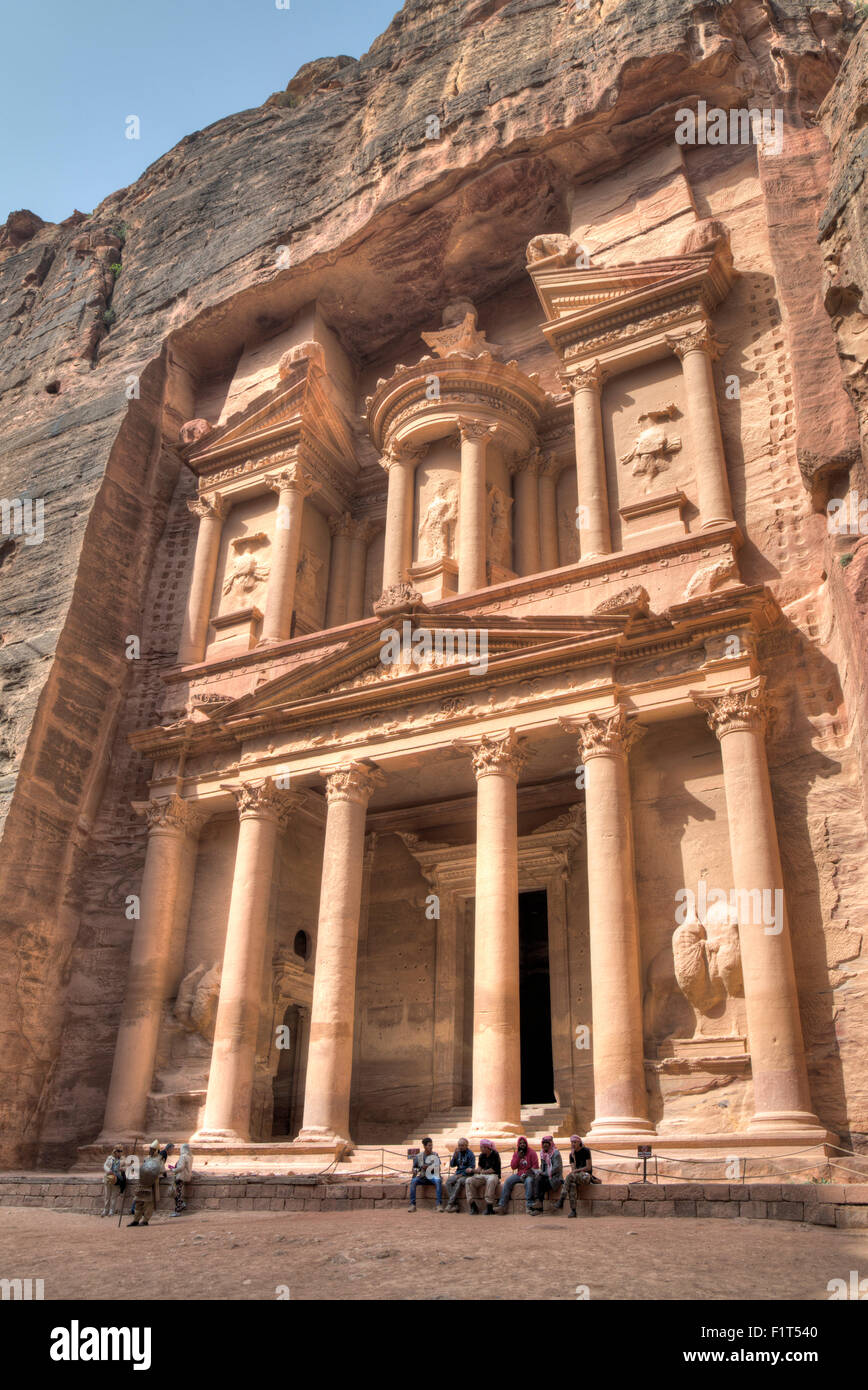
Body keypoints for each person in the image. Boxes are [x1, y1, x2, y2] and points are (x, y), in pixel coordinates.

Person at [495, 1136, 538, 1213]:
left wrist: (527, 1173)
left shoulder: (532, 1152)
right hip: (519, 1174)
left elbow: (535, 1166)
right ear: (518, 1145)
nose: (522, 1145)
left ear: (526, 1144)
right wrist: (518, 1157)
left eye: (524, 1143)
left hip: (529, 1175)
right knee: (508, 1181)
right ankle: (502, 1205)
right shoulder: (516, 1154)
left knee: (529, 1182)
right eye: (520, 1143)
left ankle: (529, 1205)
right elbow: (513, 1167)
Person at [128, 1139, 165, 1228]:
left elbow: (162, 1170)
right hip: (143, 1183)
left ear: (156, 1150)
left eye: (152, 1149)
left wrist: (154, 1174)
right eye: (150, 1149)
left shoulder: (160, 1159)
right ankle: (136, 1220)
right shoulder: (147, 1159)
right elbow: (143, 1169)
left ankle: (145, 1220)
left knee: (149, 1203)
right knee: (138, 1201)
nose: (150, 1151)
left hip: (152, 1183)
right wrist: (133, 1168)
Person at [557, 1135, 594, 1217]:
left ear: (579, 1142)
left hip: (586, 1176)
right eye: (572, 1142)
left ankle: (562, 1198)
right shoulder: (571, 1155)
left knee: (569, 1177)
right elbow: (573, 1169)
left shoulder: (586, 1151)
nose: (573, 1144)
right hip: (576, 1177)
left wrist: (577, 1171)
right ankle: (573, 1210)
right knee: (571, 1184)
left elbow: (588, 1167)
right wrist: (574, 1158)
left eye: (575, 1142)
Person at [465, 1139, 501, 1214]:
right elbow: (479, 1168)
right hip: (483, 1175)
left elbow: (493, 1169)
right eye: (481, 1147)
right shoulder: (481, 1156)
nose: (481, 1149)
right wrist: (472, 1170)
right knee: (468, 1181)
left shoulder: (495, 1154)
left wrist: (483, 1172)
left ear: (488, 1148)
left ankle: (489, 1206)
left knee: (490, 1180)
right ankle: (473, 1205)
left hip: (493, 1175)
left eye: (483, 1147)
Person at [408, 1138, 443, 1212]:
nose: (431, 1147)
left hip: (433, 1176)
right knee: (413, 1181)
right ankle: (412, 1205)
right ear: (424, 1146)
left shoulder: (435, 1155)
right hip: (423, 1176)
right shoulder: (419, 1156)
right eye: (429, 1145)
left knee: (438, 1181)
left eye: (431, 1145)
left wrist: (429, 1168)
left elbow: (438, 1169)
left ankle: (439, 1204)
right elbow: (415, 1167)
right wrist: (414, 1171)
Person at [532, 1135, 563, 1214]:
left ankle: (538, 1206)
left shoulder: (556, 1153)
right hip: (546, 1177)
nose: (545, 1145)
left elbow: (556, 1168)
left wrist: (544, 1173)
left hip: (555, 1178)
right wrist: (539, 1172)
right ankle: (538, 1205)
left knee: (539, 1181)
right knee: (536, 1179)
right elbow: (542, 1167)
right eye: (543, 1143)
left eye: (547, 1143)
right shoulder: (542, 1153)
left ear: (550, 1144)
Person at [444, 1137, 476, 1212]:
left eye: (462, 1145)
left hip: (467, 1175)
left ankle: (450, 1204)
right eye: (459, 1145)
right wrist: (454, 1156)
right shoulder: (457, 1153)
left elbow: (472, 1167)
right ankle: (455, 1204)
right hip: (458, 1173)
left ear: (466, 1146)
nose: (460, 1147)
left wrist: (463, 1174)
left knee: (459, 1182)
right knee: (448, 1181)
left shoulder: (470, 1154)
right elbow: (452, 1165)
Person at [101, 1145, 127, 1217]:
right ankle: (105, 1210)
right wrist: (108, 1170)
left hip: (116, 1178)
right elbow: (105, 1165)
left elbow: (126, 1167)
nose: (120, 1153)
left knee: (113, 1195)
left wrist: (123, 1169)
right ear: (115, 1151)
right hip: (108, 1177)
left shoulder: (122, 1159)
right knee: (107, 1195)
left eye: (121, 1151)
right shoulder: (110, 1158)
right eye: (119, 1151)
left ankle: (111, 1210)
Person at [169, 1143, 193, 1216]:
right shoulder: (190, 1156)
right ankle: (181, 1204)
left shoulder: (183, 1156)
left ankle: (178, 1210)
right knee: (178, 1193)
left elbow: (181, 1167)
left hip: (180, 1176)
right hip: (186, 1176)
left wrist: (173, 1170)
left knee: (177, 1193)